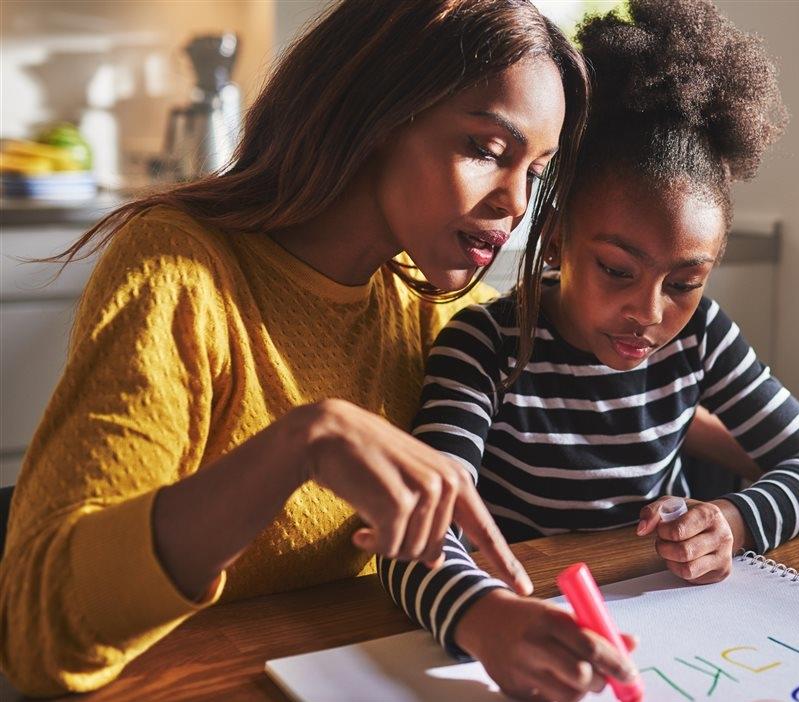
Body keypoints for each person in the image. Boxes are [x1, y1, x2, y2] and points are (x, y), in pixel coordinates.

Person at [0, 0, 591, 695]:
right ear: (376, 115)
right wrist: (299, 444)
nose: (516, 202)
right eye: (487, 150)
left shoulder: (435, 308)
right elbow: (39, 632)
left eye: (536, 171)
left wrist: (699, 502)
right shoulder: (181, 270)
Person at [375, 3, 799, 700]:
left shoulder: (702, 335)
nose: (650, 314)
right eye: (617, 270)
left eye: (684, 282)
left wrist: (733, 522)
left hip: (663, 627)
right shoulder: (486, 346)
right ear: (557, 240)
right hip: (529, 622)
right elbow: (418, 533)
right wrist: (484, 615)